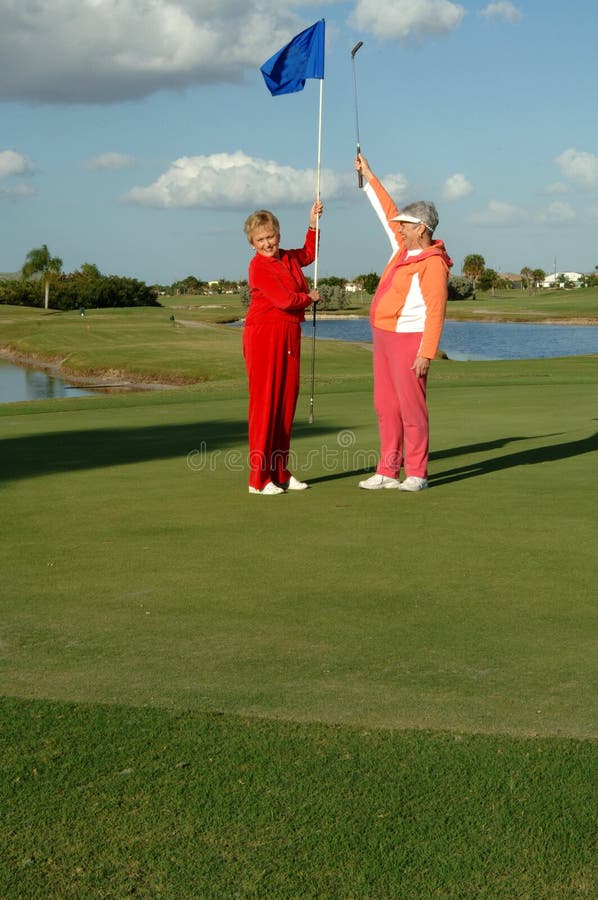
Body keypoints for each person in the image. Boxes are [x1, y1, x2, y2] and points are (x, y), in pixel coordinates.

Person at [354, 153, 452, 492]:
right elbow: (386, 210)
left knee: (412, 408)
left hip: (411, 339)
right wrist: (368, 175)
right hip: (383, 337)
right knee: (385, 405)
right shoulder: (402, 249)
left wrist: (427, 352)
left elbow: (436, 311)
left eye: (406, 225)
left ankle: (417, 473)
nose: (400, 228)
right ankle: (387, 469)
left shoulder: (433, 263)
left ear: (421, 229)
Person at [243, 201, 322, 495]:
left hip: (289, 333)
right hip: (264, 335)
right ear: (252, 243)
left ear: (278, 234)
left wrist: (312, 223)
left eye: (271, 236)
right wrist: (309, 298)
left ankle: (280, 473)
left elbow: (309, 254)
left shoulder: (287, 258)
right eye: (260, 239)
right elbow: (285, 299)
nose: (267, 243)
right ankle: (258, 479)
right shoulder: (258, 266)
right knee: (266, 404)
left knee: (285, 404)